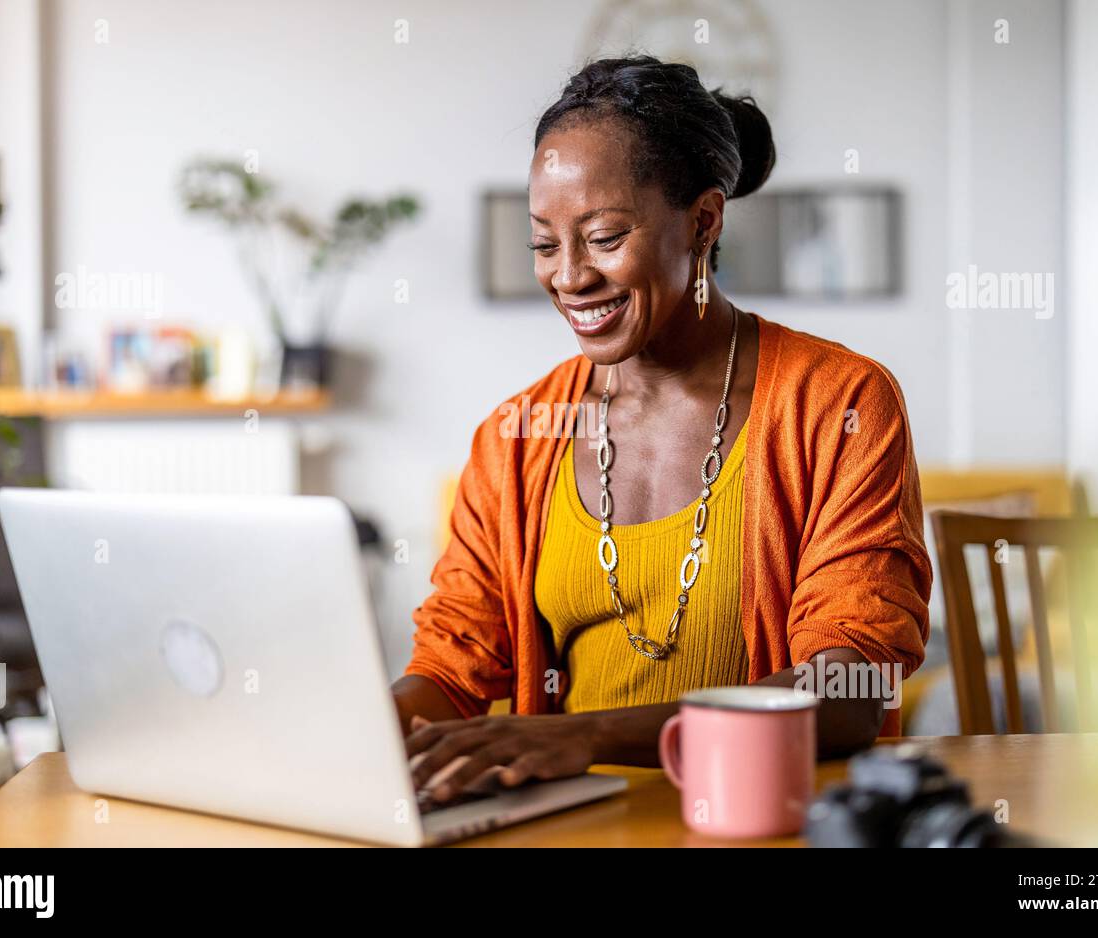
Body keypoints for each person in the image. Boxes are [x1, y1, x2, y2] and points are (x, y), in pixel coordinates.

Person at [393, 56, 932, 803]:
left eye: (605, 237)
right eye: (544, 245)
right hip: (576, 822)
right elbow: (451, 670)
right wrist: (365, 728)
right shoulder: (515, 438)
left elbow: (850, 683)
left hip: (767, 816)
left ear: (704, 221)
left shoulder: (837, 403)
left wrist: (588, 735)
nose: (570, 277)